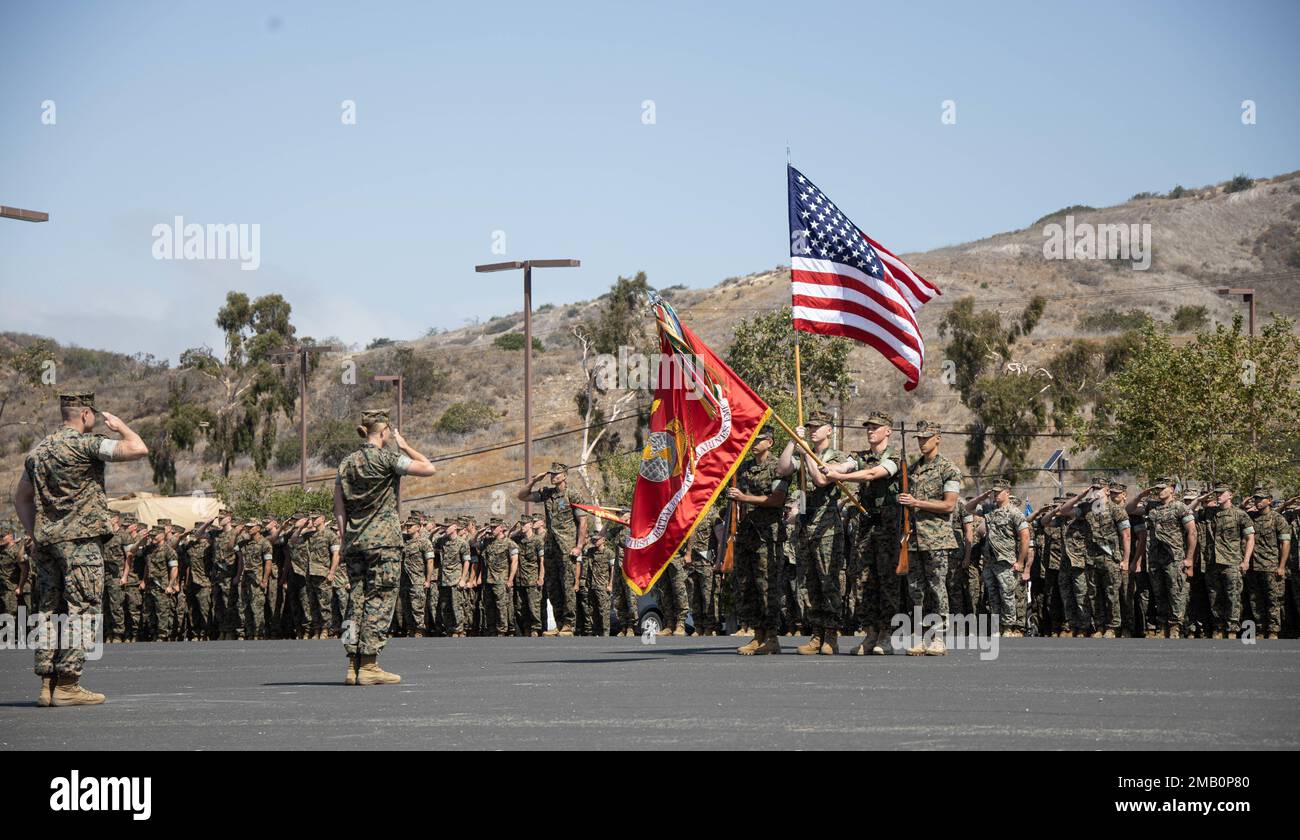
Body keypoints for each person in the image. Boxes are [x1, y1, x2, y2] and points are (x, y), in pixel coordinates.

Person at [12, 392, 148, 706]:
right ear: (86, 414)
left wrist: (38, 533)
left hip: (46, 543)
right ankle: (69, 683)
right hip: (81, 543)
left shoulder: (37, 453)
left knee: (49, 608)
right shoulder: (86, 445)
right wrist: (121, 426)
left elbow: (21, 499)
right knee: (82, 608)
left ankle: (47, 684)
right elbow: (138, 448)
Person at [335, 409, 437, 684]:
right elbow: (429, 468)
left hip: (355, 541)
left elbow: (339, 508)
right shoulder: (388, 458)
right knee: (380, 599)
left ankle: (352, 665)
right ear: (383, 433)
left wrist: (345, 540)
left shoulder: (346, 464)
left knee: (355, 599)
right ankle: (369, 665)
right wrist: (405, 446)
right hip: (384, 543)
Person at [777, 413, 857, 655]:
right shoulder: (803, 452)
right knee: (808, 583)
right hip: (804, 526)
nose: (812, 430)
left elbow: (821, 479)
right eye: (809, 427)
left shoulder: (837, 457)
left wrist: (806, 455)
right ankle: (816, 633)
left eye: (817, 427)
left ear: (829, 430)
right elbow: (782, 469)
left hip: (827, 528)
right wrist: (793, 442)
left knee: (827, 581)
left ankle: (831, 634)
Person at [822, 412, 901, 655]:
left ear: (887, 430)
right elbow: (846, 464)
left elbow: (873, 474)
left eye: (876, 427)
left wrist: (840, 476)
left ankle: (886, 635)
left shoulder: (895, 456)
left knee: (887, 581)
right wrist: (826, 466)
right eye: (868, 427)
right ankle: (870, 633)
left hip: (888, 527)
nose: (870, 431)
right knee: (864, 580)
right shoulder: (860, 457)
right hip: (866, 528)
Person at [897, 420, 962, 654]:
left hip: (937, 538)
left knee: (937, 588)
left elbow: (949, 505)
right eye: (919, 438)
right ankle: (919, 635)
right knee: (916, 590)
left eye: (926, 437)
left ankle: (939, 636)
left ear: (938, 438)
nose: (922, 442)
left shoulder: (948, 468)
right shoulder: (913, 469)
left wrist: (916, 503)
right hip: (914, 538)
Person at [727, 427, 790, 654]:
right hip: (747, 534)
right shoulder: (743, 468)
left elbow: (777, 499)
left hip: (768, 535)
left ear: (770, 443)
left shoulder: (778, 467)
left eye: (759, 439)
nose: (753, 443)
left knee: (767, 586)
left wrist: (745, 498)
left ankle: (772, 637)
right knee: (747, 585)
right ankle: (757, 634)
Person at [517, 463, 588, 637]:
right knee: (553, 586)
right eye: (552, 474)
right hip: (551, 546)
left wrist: (579, 546)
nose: (553, 476)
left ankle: (569, 625)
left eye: (557, 474)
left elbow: (583, 522)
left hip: (567, 546)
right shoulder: (547, 493)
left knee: (567, 585)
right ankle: (559, 623)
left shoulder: (573, 494)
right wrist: (534, 480)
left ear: (564, 475)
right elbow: (522, 496)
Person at [1129, 479, 1196, 639]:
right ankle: (1162, 625)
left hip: (1173, 557)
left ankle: (1175, 627)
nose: (1159, 491)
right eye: (1157, 488)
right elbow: (1129, 509)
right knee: (1159, 593)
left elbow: (1192, 533)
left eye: (1162, 488)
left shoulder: (1180, 507)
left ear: (1172, 489)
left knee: (1175, 592)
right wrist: (1141, 495)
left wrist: (1189, 558)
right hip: (1154, 557)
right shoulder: (1151, 506)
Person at [966, 480, 1030, 637]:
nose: (995, 494)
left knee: (1007, 594)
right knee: (992, 594)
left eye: (998, 492)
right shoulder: (989, 509)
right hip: (989, 560)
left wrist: (1021, 562)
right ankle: (998, 627)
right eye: (994, 491)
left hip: (1006, 560)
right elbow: (968, 508)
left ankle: (1008, 627)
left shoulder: (1014, 513)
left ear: (1007, 492)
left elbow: (1025, 537)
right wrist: (982, 496)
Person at [1201, 483, 1254, 639]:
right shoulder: (1210, 513)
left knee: (1233, 596)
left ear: (1230, 494)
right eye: (1216, 493)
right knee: (1214, 596)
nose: (1218, 495)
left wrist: (1246, 561)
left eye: (1222, 493)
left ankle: (1232, 628)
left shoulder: (1240, 514)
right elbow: (1190, 508)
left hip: (1232, 561)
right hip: (1213, 562)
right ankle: (1219, 627)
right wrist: (1203, 496)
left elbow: (1250, 538)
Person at [1245, 487, 1289, 640]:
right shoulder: (1250, 517)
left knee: (1273, 600)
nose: (1257, 501)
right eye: (1255, 498)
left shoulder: (1277, 519)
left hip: (1271, 565)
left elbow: (1285, 543)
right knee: (1255, 599)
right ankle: (1260, 628)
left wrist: (1282, 566)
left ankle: (1274, 630)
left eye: (1260, 498)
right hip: (1253, 566)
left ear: (1269, 500)